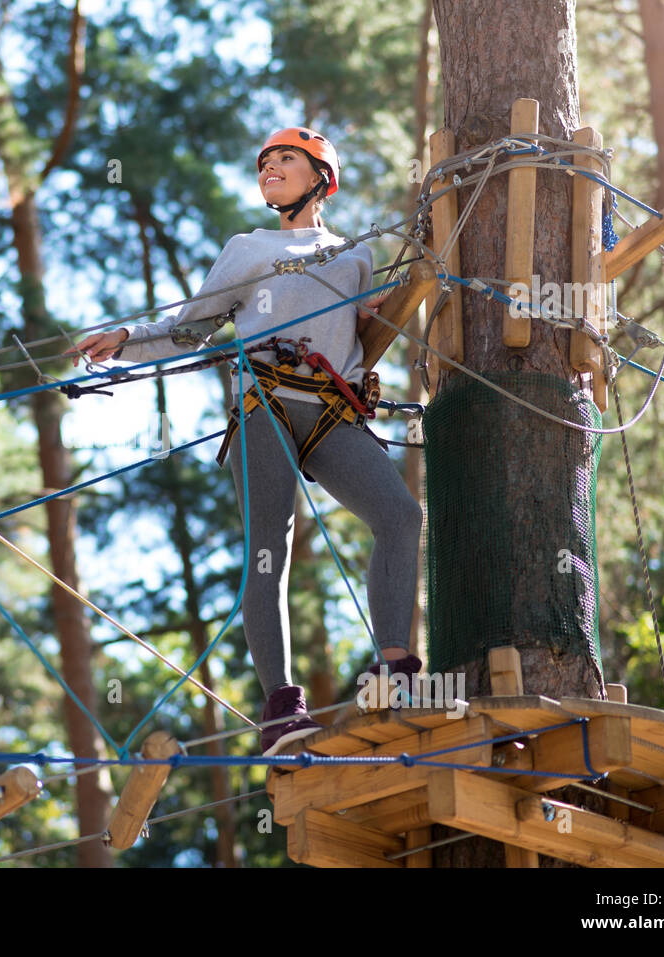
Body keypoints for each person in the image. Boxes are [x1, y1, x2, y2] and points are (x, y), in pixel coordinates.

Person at [70, 128, 423, 756]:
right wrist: (126, 337)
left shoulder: (355, 256)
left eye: (285, 159)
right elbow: (190, 331)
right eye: (264, 163)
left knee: (400, 515)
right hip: (264, 403)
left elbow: (365, 331)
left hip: (329, 412)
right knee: (270, 549)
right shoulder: (247, 248)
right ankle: (283, 709)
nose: (270, 169)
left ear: (321, 178)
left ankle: (394, 669)